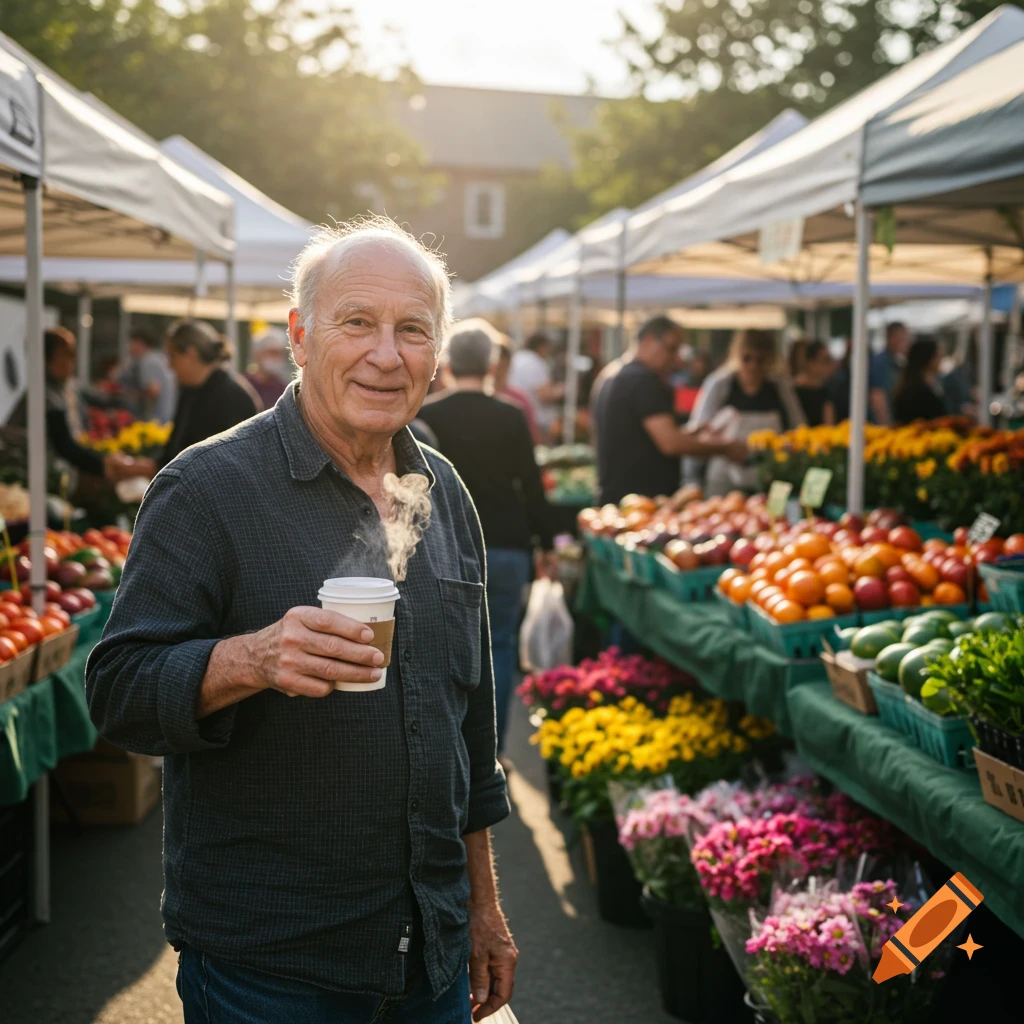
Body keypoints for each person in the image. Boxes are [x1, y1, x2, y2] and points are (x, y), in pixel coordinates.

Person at [86, 217, 516, 1024]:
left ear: (437, 352)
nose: (386, 354)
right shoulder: (207, 488)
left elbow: (470, 726)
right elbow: (116, 692)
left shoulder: (445, 489)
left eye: (412, 331)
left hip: (434, 951)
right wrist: (249, 659)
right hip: (273, 966)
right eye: (357, 322)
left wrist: (484, 909)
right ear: (299, 335)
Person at [418, 318, 554, 761]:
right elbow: (532, 487)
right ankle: (489, 754)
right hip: (507, 547)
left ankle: (450, 747)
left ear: (448, 363)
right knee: (499, 649)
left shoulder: (426, 414)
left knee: (441, 649)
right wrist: (545, 545)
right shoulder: (511, 416)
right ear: (494, 364)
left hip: (443, 548)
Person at [592, 315, 747, 505]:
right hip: (642, 502)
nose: (675, 359)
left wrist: (691, 433)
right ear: (648, 339)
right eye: (671, 349)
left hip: (616, 497)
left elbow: (639, 436)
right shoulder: (644, 380)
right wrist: (726, 448)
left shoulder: (610, 373)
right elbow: (670, 443)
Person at [6, 327, 139, 483]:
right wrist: (103, 466)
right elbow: (65, 446)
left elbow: (101, 400)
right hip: (29, 481)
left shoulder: (65, 388)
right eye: (66, 354)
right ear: (46, 359)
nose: (72, 359)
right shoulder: (43, 395)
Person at [690, 330, 806, 495]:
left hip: (770, 479)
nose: (753, 366)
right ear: (736, 355)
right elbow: (698, 431)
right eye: (747, 359)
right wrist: (693, 480)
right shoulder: (720, 385)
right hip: (724, 480)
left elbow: (799, 428)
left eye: (760, 360)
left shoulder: (780, 388)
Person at [157, 320, 261, 470]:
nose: (170, 366)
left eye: (172, 357)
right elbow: (173, 452)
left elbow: (221, 464)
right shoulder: (192, 389)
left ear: (191, 355)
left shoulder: (230, 396)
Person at [507, 333, 563, 439]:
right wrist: (560, 391)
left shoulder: (517, 358)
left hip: (520, 417)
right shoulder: (535, 362)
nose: (548, 352)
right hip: (537, 421)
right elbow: (544, 395)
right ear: (541, 347)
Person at [492, 337, 540, 443]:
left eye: (502, 366)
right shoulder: (480, 398)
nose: (498, 371)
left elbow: (532, 435)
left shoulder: (520, 399)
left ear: (508, 364)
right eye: (496, 366)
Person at [892, 337, 947, 425]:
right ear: (930, 359)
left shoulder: (911, 386)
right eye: (939, 356)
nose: (941, 360)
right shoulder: (918, 392)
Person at [127, 327, 177, 422]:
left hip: (157, 420)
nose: (129, 347)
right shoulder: (159, 357)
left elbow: (153, 390)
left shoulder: (147, 361)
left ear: (139, 343)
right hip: (169, 416)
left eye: (131, 343)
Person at [869, 321, 910, 426]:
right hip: (878, 426)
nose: (906, 343)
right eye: (903, 339)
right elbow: (877, 397)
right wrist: (886, 425)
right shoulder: (879, 362)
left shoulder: (895, 362)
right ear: (891, 338)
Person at [791, 339, 836, 427]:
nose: (829, 364)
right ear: (811, 362)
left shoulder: (826, 391)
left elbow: (829, 426)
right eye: (825, 360)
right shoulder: (791, 389)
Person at [246, 326, 292, 409]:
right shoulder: (245, 385)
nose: (277, 358)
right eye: (272, 352)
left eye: (280, 353)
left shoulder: (283, 389)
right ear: (257, 354)